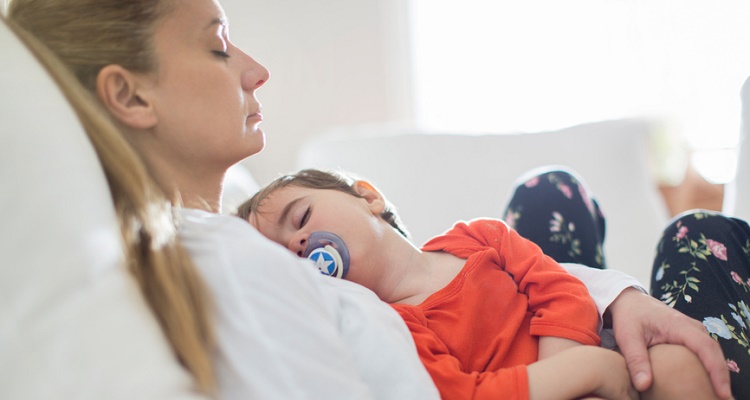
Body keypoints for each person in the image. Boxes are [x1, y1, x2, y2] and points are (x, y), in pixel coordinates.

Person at [4, 0, 733, 398]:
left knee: (557, 204)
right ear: (129, 95)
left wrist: (613, 301)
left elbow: (484, 267)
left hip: (567, 334)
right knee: (698, 251)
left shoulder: (234, 237)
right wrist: (581, 367)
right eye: (219, 45)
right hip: (545, 374)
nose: (255, 71)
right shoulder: (236, 262)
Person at [238, 168, 722, 399]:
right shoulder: (390, 326)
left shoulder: (479, 236)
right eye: (282, 257)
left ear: (368, 197)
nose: (298, 244)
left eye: (300, 218)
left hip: (596, 357)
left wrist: (577, 363)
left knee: (678, 363)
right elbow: (464, 394)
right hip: (554, 389)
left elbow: (558, 288)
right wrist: (574, 380)